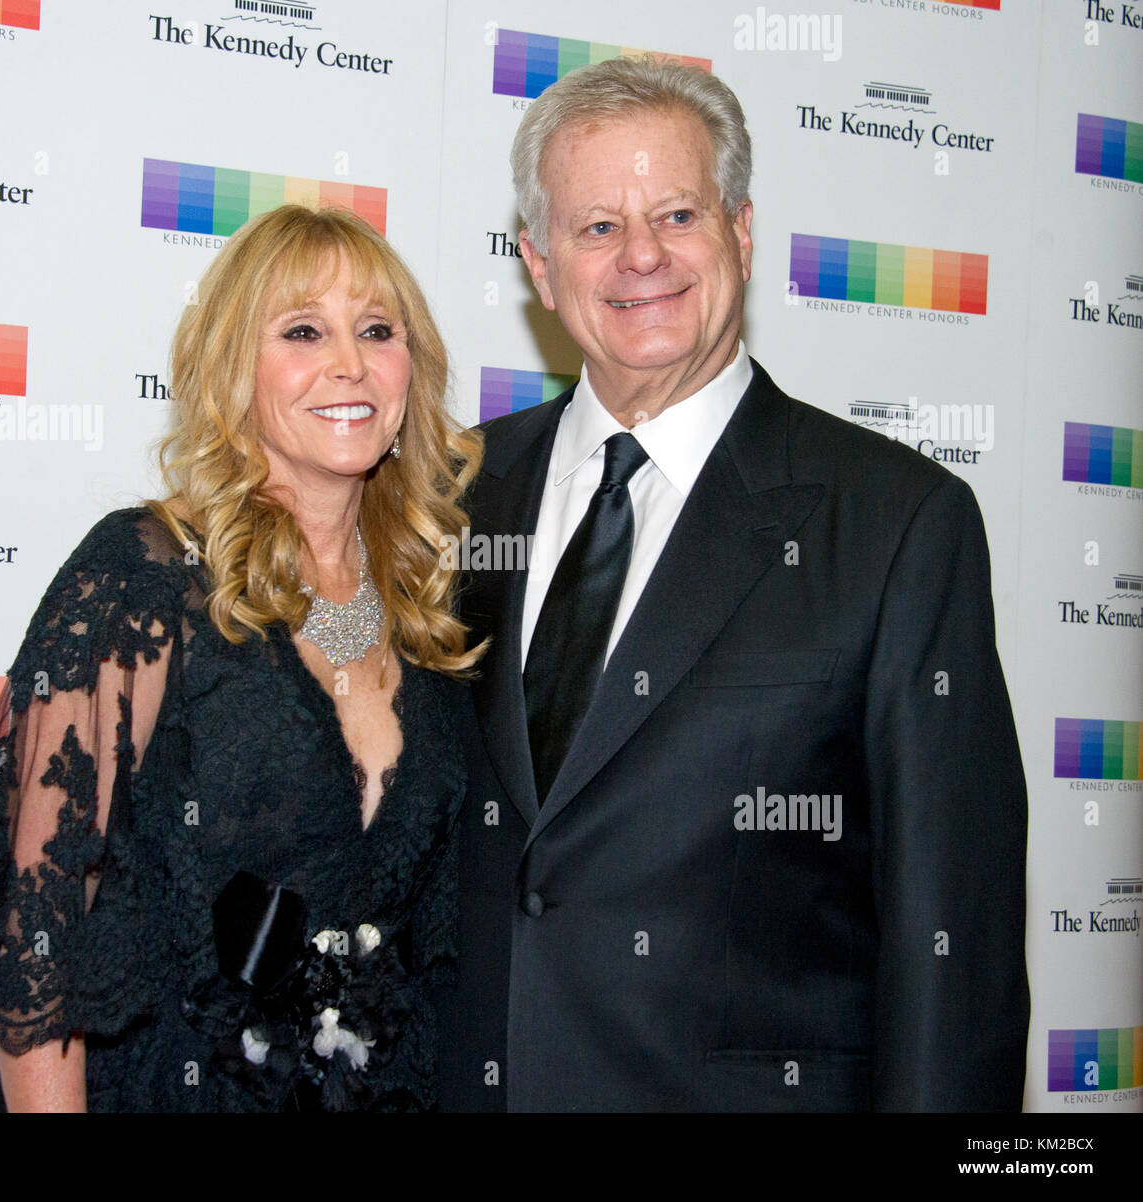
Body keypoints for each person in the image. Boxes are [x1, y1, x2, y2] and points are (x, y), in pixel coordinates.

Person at [435, 57, 1030, 1112]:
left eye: (676, 211)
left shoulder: (896, 524)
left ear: (742, 232)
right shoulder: (449, 498)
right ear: (537, 261)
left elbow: (955, 958)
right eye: (596, 226)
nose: (642, 256)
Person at [0, 204, 484, 1112]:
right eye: (304, 331)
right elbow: (38, 936)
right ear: (234, 371)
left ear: (413, 370)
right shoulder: (145, 576)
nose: (349, 363)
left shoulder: (432, 615)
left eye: (377, 330)